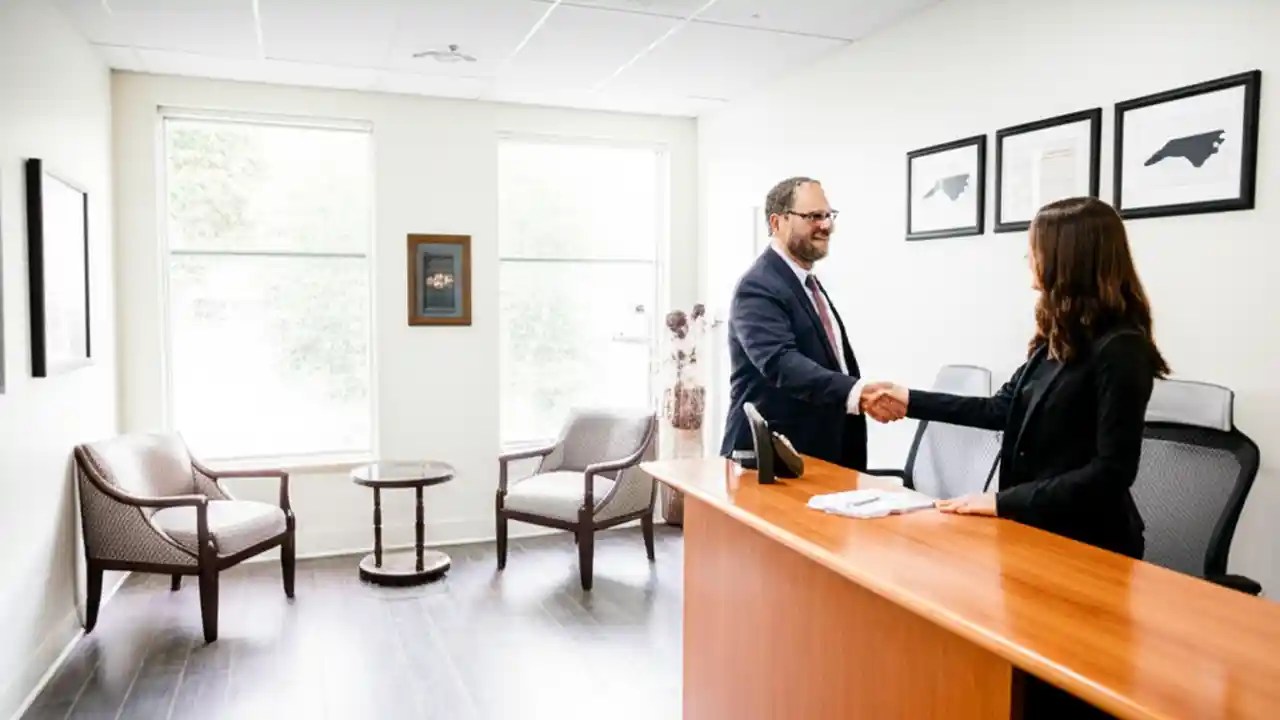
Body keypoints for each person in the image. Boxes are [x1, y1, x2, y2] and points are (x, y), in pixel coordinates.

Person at [865, 196, 1170, 717]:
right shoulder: (1059, 336)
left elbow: (1112, 472)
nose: (1028, 259)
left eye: (1035, 248)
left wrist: (1002, 502)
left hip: (1088, 548)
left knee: (1067, 695)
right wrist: (911, 399)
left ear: (1068, 256)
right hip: (1035, 537)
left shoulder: (1121, 349)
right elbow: (1001, 409)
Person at [720, 176, 880, 471]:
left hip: (824, 458)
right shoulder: (758, 286)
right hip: (772, 463)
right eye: (813, 216)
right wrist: (858, 393)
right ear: (777, 222)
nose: (826, 225)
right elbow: (781, 363)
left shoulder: (807, 283)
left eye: (828, 215)